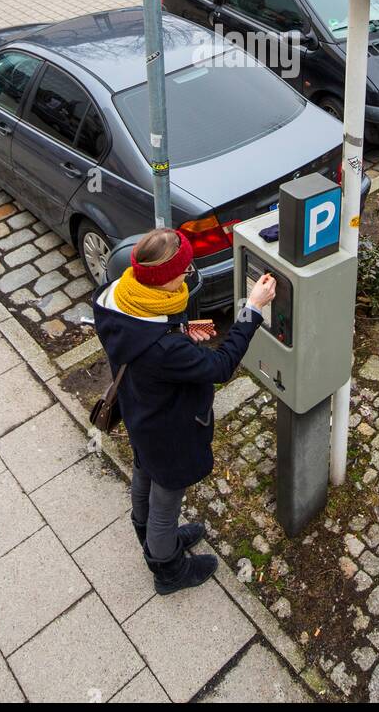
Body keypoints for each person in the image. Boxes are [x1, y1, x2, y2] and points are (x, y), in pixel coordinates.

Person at [93, 228, 276, 596]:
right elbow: (222, 366)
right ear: (162, 280)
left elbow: (144, 334)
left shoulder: (116, 295)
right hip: (168, 430)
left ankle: (147, 532)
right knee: (167, 498)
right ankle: (168, 567)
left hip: (140, 414)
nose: (188, 274)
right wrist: (252, 309)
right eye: (183, 270)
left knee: (144, 471)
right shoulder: (164, 351)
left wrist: (180, 330)